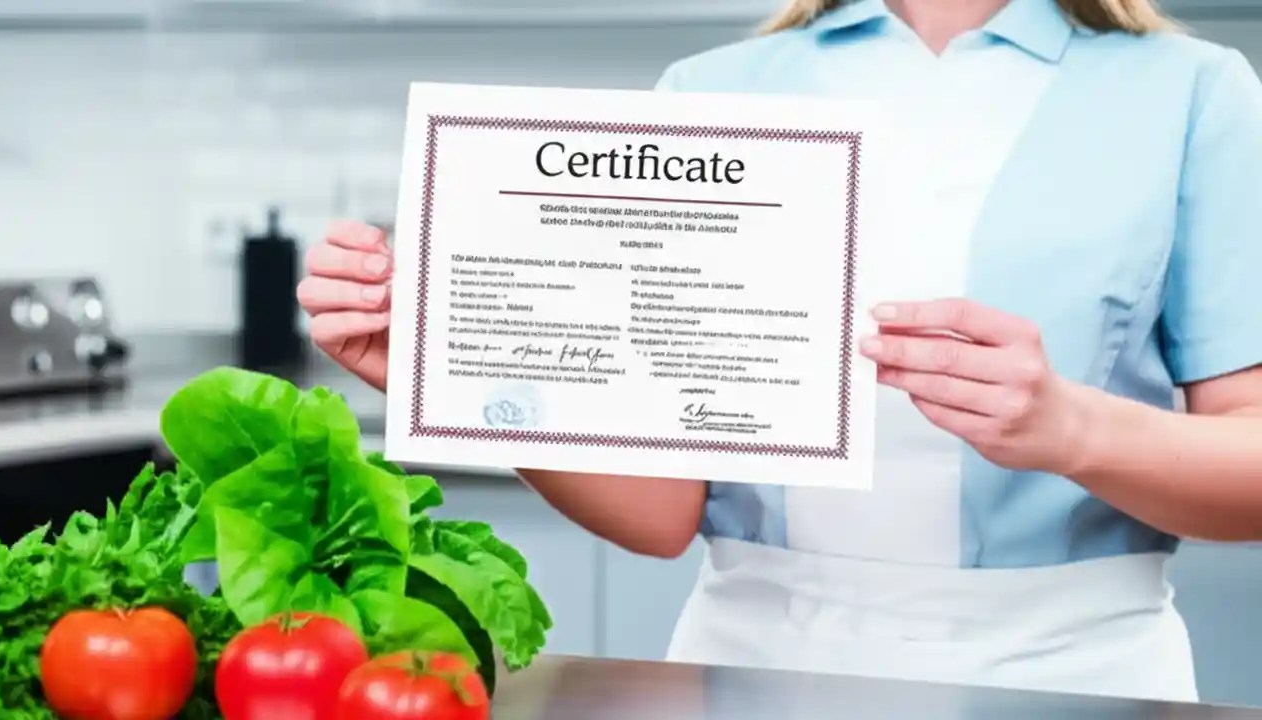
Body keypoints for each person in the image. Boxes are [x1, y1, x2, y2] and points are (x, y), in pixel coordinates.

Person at [297, 0, 1262, 704]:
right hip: (755, 666)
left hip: (1076, 673)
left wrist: (1070, 427)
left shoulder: (1192, 94)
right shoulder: (716, 89)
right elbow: (661, 511)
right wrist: (456, 365)